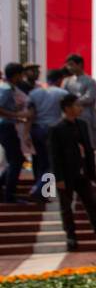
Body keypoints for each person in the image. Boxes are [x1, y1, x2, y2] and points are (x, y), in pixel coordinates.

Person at [50, 94, 96, 250]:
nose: (80, 108)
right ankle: (71, 237)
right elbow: (54, 156)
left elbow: (88, 149)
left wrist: (92, 172)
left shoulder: (82, 124)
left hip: (82, 173)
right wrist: (58, 178)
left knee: (91, 204)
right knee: (66, 207)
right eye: (76, 105)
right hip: (66, 174)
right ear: (67, 108)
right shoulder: (56, 129)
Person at [27, 67, 70, 202]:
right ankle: (40, 189)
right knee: (53, 162)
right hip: (54, 130)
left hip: (37, 128)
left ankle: (45, 193)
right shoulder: (63, 93)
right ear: (59, 80)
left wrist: (26, 133)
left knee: (40, 161)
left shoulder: (34, 93)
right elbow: (66, 113)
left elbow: (30, 114)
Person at [0, 62, 32, 202]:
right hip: (5, 128)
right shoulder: (6, 89)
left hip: (7, 126)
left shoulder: (9, 88)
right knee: (16, 160)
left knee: (16, 159)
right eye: (20, 75)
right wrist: (17, 116)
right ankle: (9, 195)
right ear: (16, 75)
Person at [63, 54, 96, 156]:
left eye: (71, 64)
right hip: (70, 117)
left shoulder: (90, 81)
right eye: (68, 65)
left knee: (87, 144)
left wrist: (73, 103)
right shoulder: (67, 81)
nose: (69, 67)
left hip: (85, 117)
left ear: (80, 65)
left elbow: (89, 97)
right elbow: (63, 96)